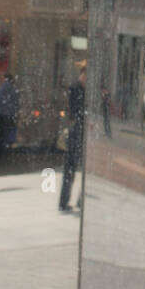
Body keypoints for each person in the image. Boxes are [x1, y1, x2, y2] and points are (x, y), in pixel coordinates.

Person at [59, 63, 86, 212]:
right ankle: (64, 201)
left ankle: (79, 201)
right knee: (70, 168)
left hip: (82, 133)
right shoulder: (75, 88)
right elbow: (73, 110)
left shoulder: (85, 89)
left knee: (79, 169)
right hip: (75, 131)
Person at [0, 73, 19, 168]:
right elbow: (16, 104)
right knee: (4, 137)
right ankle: (1, 156)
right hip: (8, 117)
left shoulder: (2, 88)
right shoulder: (14, 90)